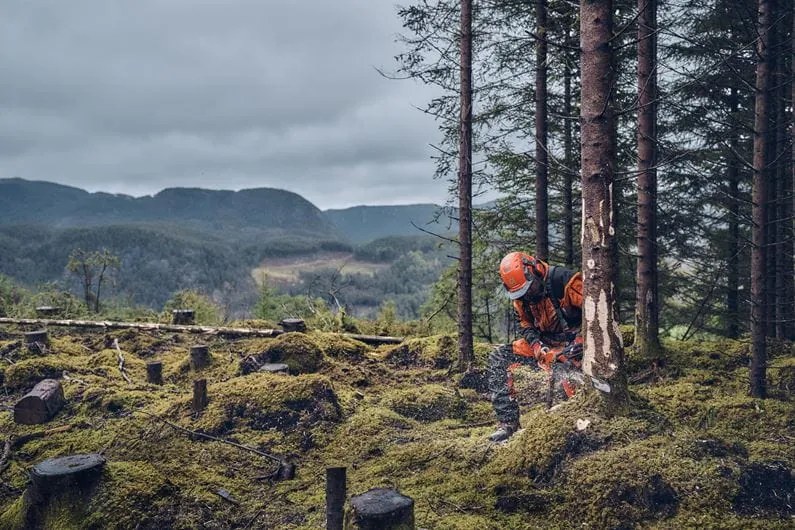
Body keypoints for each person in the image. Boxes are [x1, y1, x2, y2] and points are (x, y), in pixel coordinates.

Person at [487, 251, 584, 442]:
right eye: (522, 294)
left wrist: (582, 342)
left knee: (565, 370)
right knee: (500, 357)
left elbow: (597, 313)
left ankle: (577, 419)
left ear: (535, 270)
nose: (527, 296)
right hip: (544, 342)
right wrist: (536, 345)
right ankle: (508, 423)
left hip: (574, 340)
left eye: (529, 290)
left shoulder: (566, 281)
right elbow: (524, 324)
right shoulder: (521, 295)